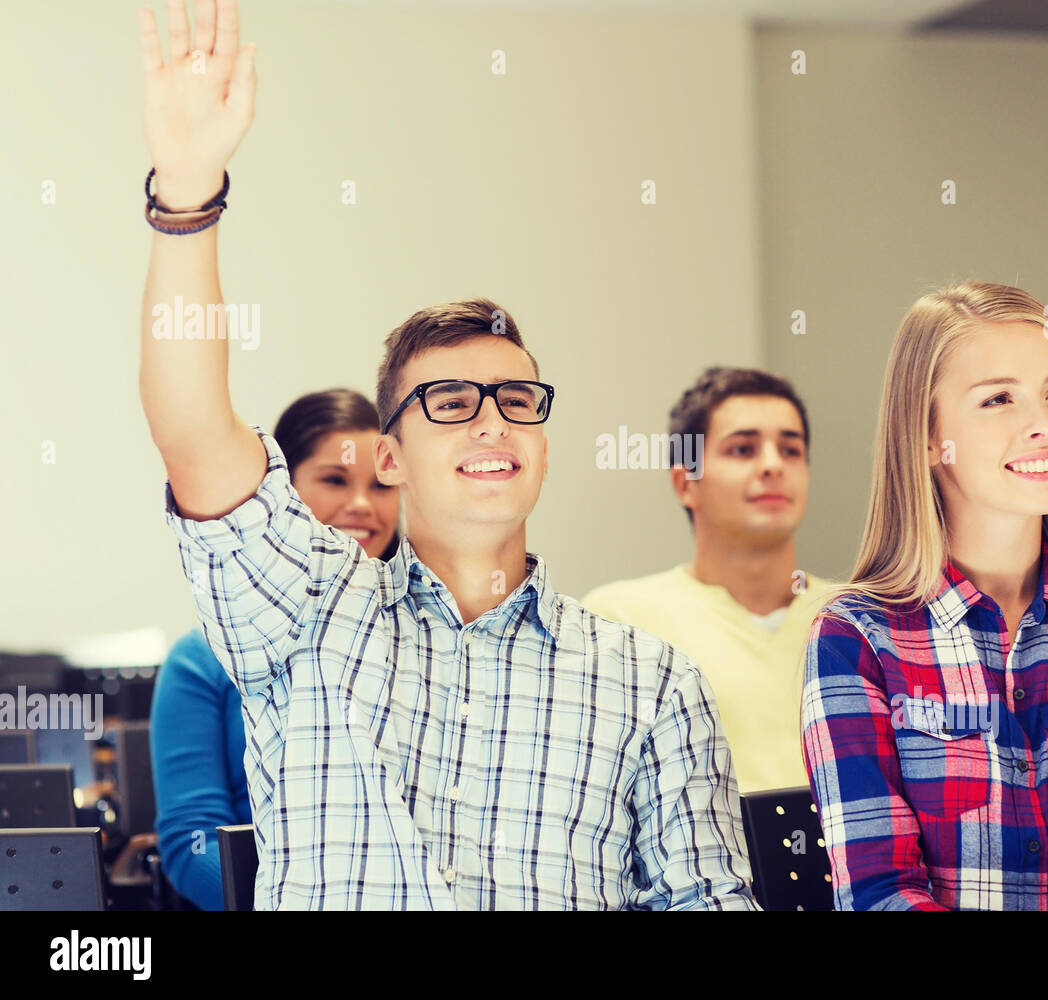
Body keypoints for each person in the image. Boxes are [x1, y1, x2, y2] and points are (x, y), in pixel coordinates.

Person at [136, 0, 754, 909]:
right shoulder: (310, 613)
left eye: (517, 401)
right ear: (390, 456)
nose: (492, 422)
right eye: (451, 403)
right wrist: (186, 197)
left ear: (541, 445)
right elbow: (193, 431)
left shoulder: (650, 680)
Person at [801, 281, 1048, 910]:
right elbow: (880, 890)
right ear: (929, 438)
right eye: (998, 399)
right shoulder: (854, 640)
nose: (1043, 424)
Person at [151, 389, 400, 910]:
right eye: (335, 479)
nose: (361, 504)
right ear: (283, 491)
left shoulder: (430, 635)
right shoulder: (201, 661)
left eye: (381, 486)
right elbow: (190, 842)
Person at [583, 368, 837, 794]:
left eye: (791, 450)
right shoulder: (617, 622)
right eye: (742, 449)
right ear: (686, 483)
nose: (773, 465)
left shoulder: (860, 616)